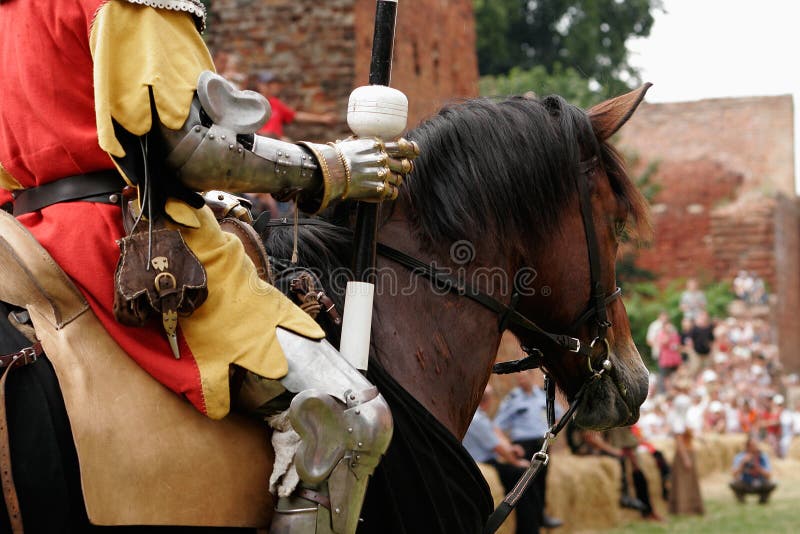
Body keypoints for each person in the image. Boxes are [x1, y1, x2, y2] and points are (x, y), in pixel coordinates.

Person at [0, 1, 418, 531]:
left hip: (24, 239)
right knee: (351, 414)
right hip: (120, 245)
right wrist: (330, 168)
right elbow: (191, 143)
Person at [464, 385, 545, 534]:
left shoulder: (475, 416)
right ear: (488, 401)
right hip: (485, 464)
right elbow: (497, 447)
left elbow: (496, 436)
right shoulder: (477, 420)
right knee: (523, 478)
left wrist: (511, 450)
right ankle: (530, 527)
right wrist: (517, 462)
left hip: (485, 463)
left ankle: (538, 518)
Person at [494, 370, 564, 529]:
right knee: (528, 485)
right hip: (524, 445)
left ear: (532, 377)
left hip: (543, 444)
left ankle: (540, 517)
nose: (521, 380)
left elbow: (558, 415)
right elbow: (497, 426)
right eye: (518, 378)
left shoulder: (543, 396)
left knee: (542, 481)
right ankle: (531, 522)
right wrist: (508, 445)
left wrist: (553, 433)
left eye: (524, 377)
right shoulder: (513, 399)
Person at [252, 70, 337, 140]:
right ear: (260, 85)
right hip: (259, 141)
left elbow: (295, 115)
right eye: (270, 84)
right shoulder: (252, 102)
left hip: (276, 142)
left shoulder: (275, 103)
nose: (275, 86)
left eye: (275, 84)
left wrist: (322, 118)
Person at [667, 386, 704, 516]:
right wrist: (685, 459)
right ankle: (682, 509)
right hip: (684, 454)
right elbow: (679, 443)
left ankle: (691, 508)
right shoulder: (678, 421)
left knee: (688, 482)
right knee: (682, 483)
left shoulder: (683, 420)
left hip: (689, 452)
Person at [729, 436, 777, 504]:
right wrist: (742, 464)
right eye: (753, 446)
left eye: (756, 445)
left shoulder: (763, 456)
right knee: (733, 483)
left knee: (772, 483)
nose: (755, 447)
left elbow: (769, 476)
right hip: (745, 482)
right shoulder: (740, 457)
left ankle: (763, 500)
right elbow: (734, 475)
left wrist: (758, 468)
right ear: (747, 447)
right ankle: (741, 500)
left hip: (760, 482)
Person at [655, 321, 682, 392]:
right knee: (665, 378)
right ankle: (666, 392)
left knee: (675, 377)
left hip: (675, 360)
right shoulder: (661, 335)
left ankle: (673, 391)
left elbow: (678, 346)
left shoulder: (675, 335)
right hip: (665, 360)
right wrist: (669, 335)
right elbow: (664, 342)